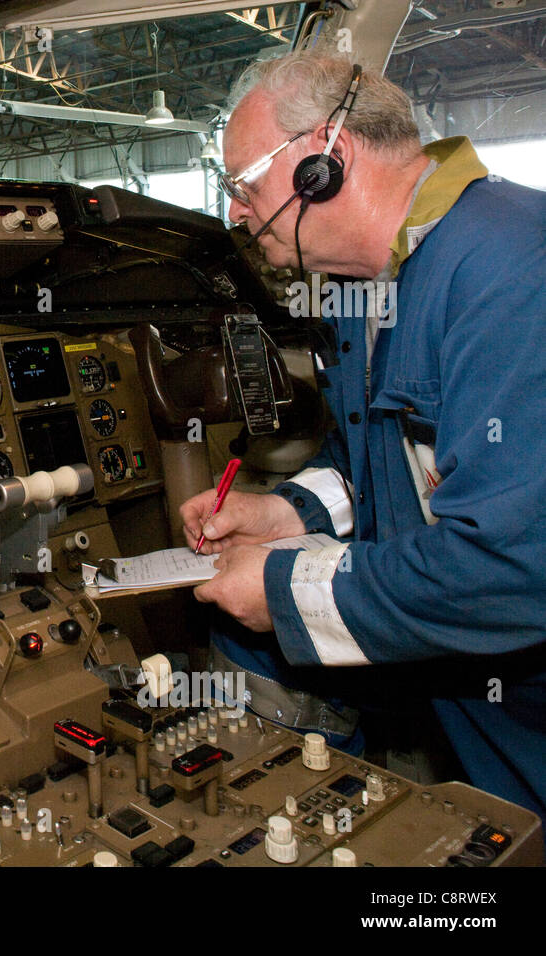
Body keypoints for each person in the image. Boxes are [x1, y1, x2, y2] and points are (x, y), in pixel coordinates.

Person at [182, 51, 546, 824]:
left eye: (244, 187)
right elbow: (370, 462)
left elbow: (510, 566)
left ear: (325, 162)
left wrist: (282, 592)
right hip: (458, 667)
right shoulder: (364, 286)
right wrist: (285, 515)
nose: (237, 215)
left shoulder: (514, 271)